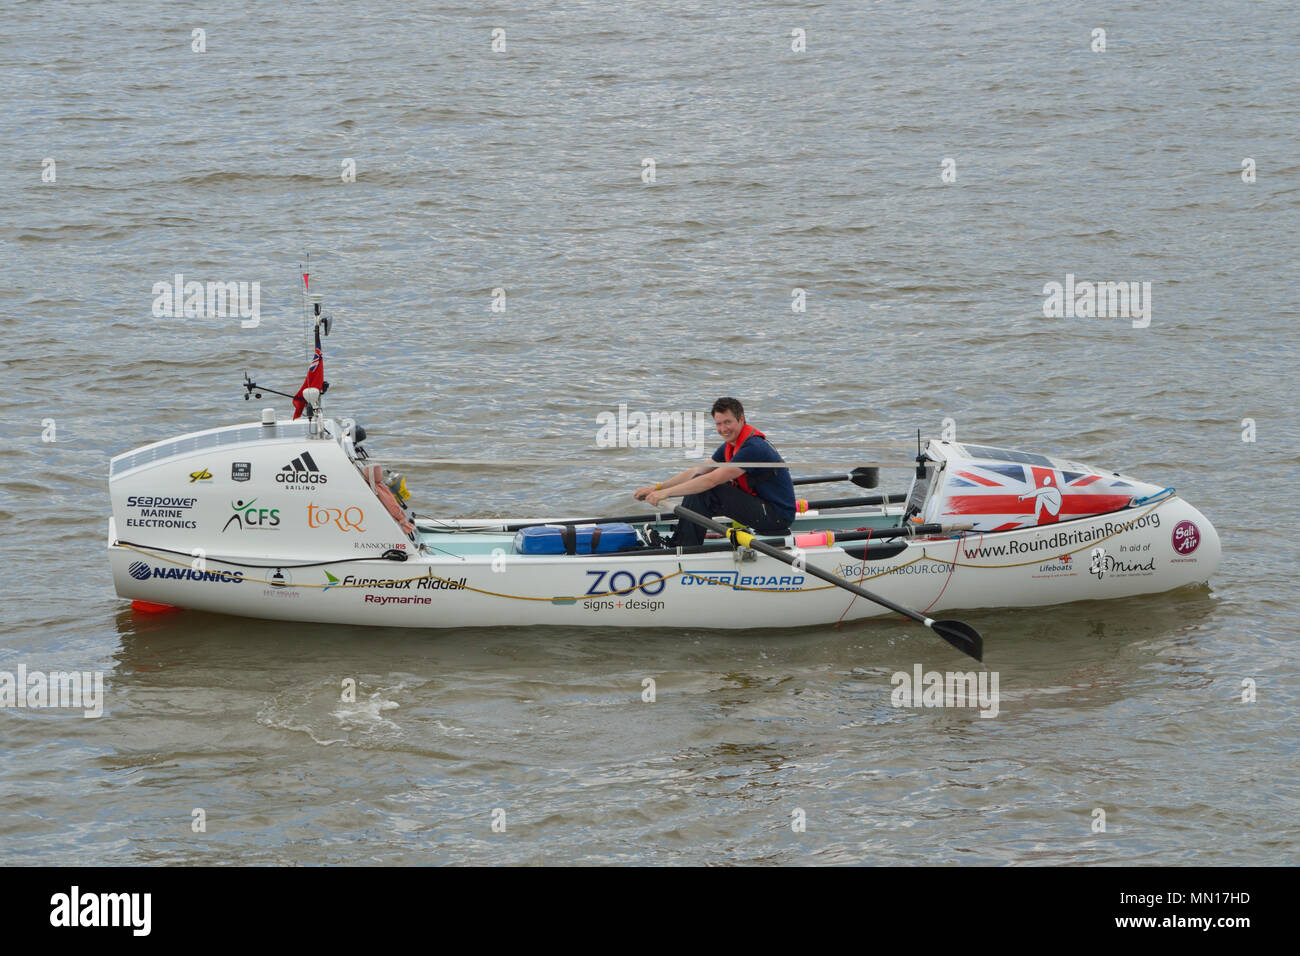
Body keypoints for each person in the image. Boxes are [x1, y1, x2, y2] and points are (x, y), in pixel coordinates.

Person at [634, 397, 796, 547]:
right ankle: (682, 539)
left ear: (741, 419)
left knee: (707, 489)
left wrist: (667, 494)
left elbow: (711, 481)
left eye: (727, 422)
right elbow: (697, 470)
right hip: (762, 507)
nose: (723, 429)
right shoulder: (730, 445)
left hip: (776, 517)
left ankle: (683, 545)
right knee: (699, 481)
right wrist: (658, 488)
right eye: (718, 424)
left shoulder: (753, 448)